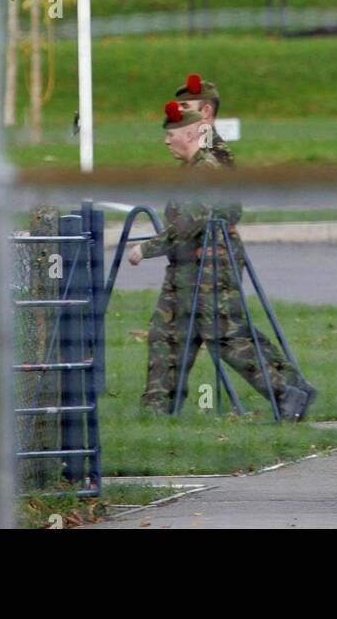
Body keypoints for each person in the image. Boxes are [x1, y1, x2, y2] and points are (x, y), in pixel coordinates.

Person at [128, 99, 317, 420]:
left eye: (171, 134)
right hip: (187, 269)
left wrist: (146, 249)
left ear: (189, 135)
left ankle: (287, 391)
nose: (165, 141)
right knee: (166, 334)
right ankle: (157, 411)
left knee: (225, 338)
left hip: (209, 269)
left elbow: (191, 222)